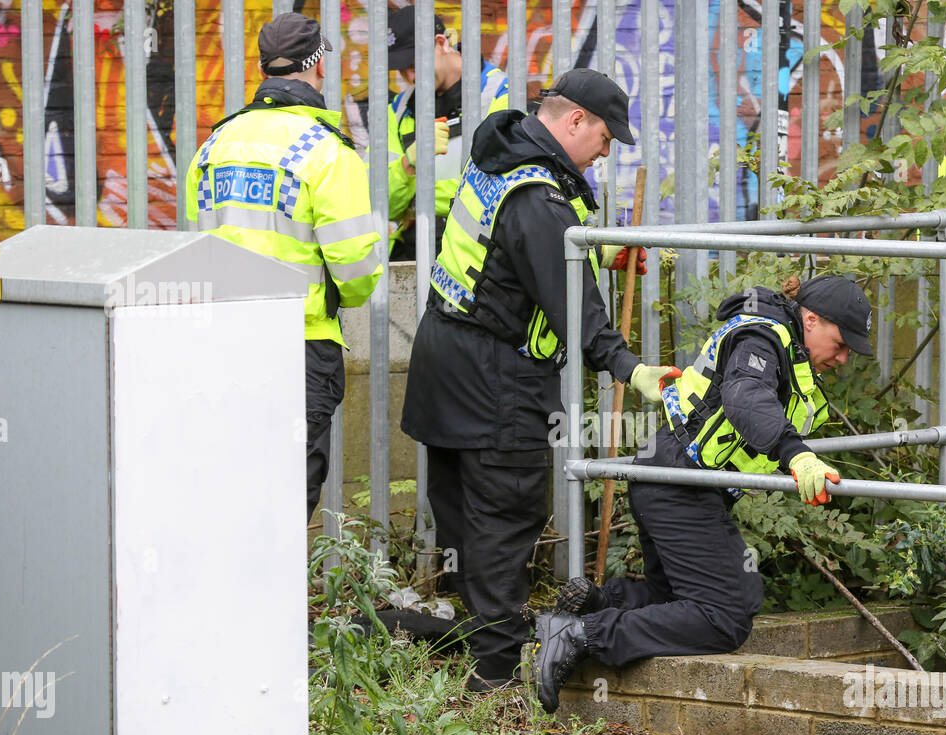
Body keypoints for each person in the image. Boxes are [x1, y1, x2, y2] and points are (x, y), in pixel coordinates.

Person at [400, 68, 671, 693]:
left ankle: (473, 658)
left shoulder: (502, 155)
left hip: (445, 366)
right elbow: (568, 299)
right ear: (574, 120)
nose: (606, 152)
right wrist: (629, 367)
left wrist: (599, 249)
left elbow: (511, 254)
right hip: (498, 383)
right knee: (504, 522)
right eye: (605, 137)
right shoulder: (539, 197)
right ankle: (493, 684)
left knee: (464, 524)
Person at [534, 276, 874, 713]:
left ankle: (601, 602)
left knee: (696, 598)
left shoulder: (779, 339)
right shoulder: (761, 339)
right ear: (811, 319)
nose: (844, 357)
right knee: (725, 618)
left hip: (673, 480)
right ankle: (582, 634)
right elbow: (745, 397)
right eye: (842, 343)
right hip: (680, 484)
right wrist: (797, 455)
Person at [185, 12, 382, 522]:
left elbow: (200, 230)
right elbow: (357, 269)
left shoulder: (214, 145)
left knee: (232, 477)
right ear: (318, 65)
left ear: (262, 68)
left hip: (223, 341)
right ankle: (273, 599)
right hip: (300, 342)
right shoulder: (327, 152)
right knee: (289, 490)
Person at [384, 6, 510, 259]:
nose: (409, 76)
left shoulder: (500, 95)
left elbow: (497, 193)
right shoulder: (398, 111)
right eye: (401, 69)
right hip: (413, 250)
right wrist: (408, 165)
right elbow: (382, 202)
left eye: (413, 64)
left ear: (440, 43)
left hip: (478, 252)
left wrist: (416, 198)